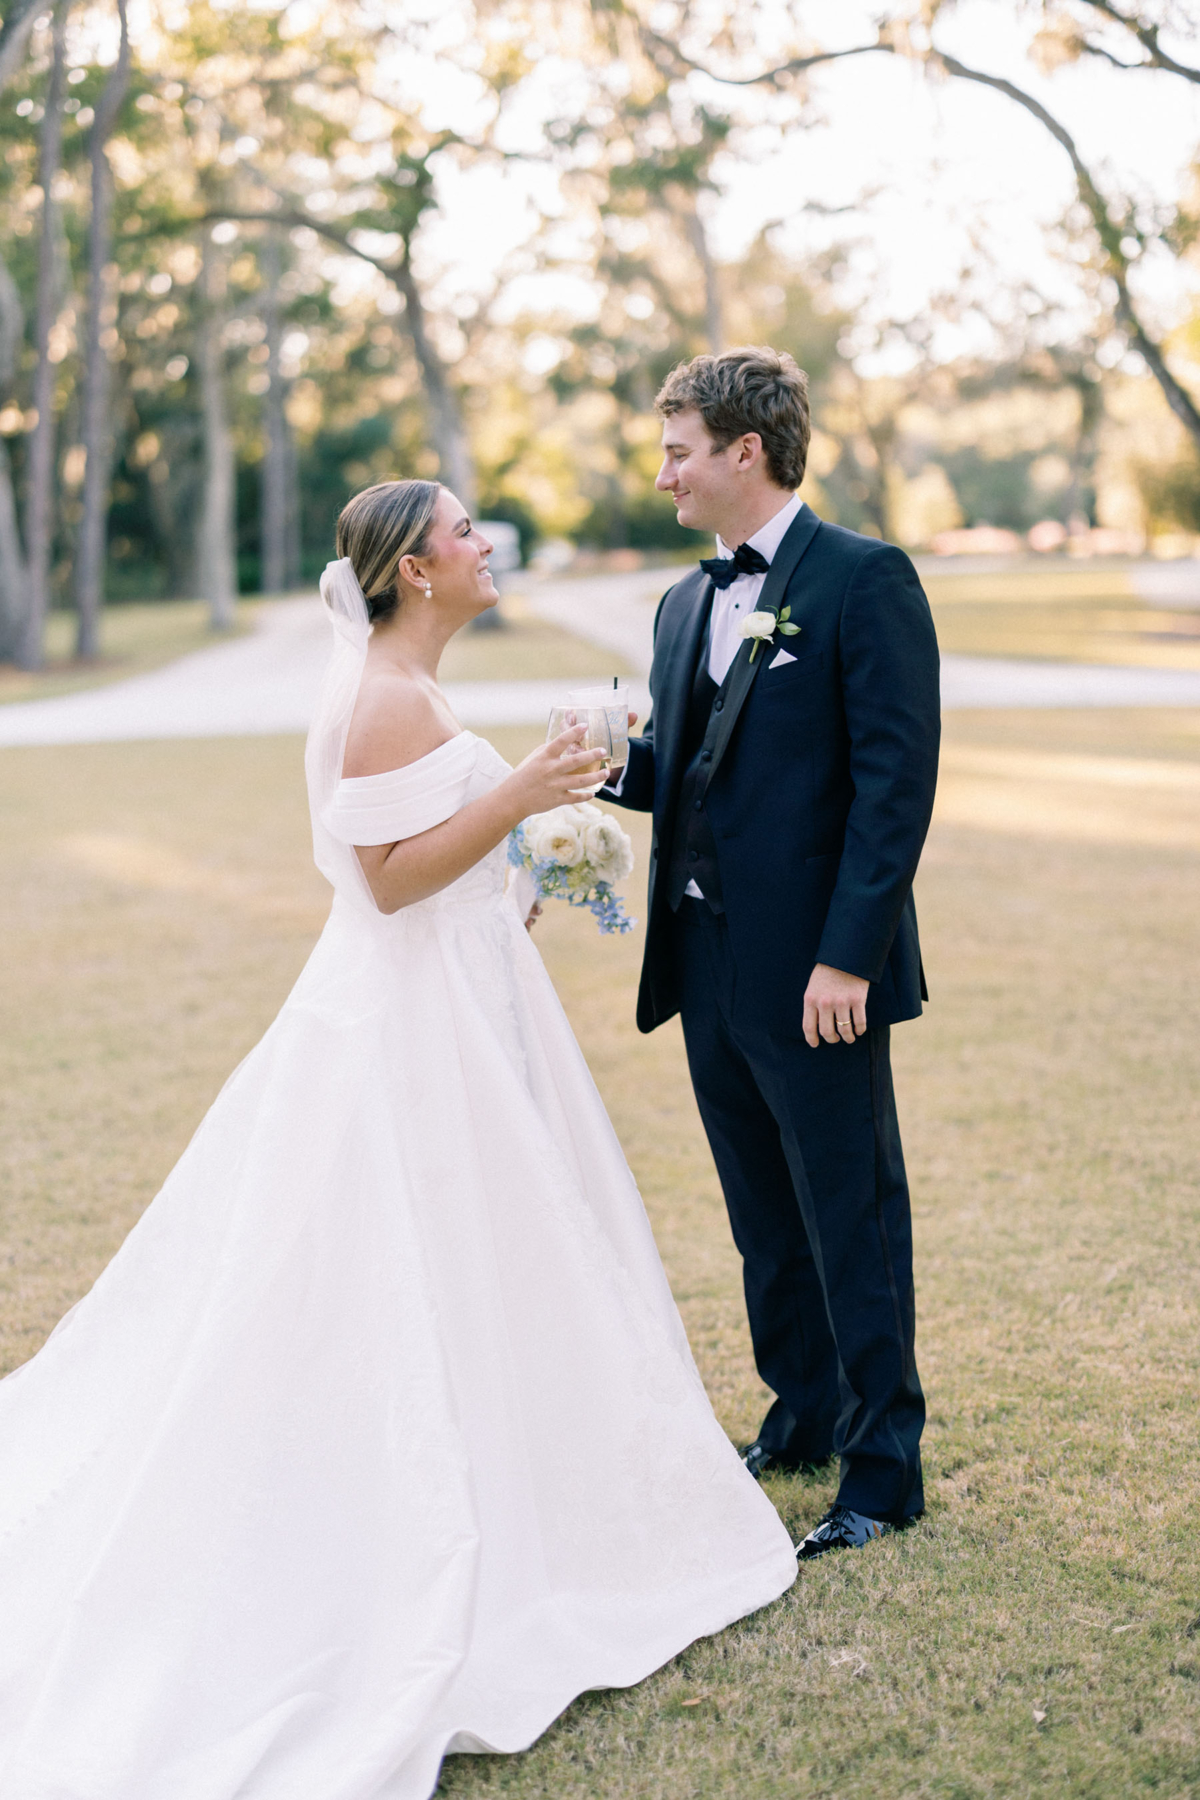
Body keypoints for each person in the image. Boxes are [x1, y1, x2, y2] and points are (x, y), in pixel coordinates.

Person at [0, 479, 797, 1798]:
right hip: (398, 1034)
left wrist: (534, 864)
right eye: (468, 533)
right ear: (414, 571)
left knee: (491, 1255)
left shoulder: (410, 692)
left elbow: (439, 864)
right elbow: (383, 883)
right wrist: (530, 791)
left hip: (462, 1002)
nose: (487, 547)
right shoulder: (379, 696)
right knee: (401, 1264)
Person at [603, 347, 940, 1558]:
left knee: (849, 1208)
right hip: (704, 961)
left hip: (819, 974)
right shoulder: (683, 603)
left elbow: (895, 787)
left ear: (748, 450)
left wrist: (848, 955)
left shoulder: (864, 579)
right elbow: (686, 772)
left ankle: (882, 1466)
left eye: (680, 450)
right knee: (761, 1211)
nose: (665, 473)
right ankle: (799, 1413)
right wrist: (595, 762)